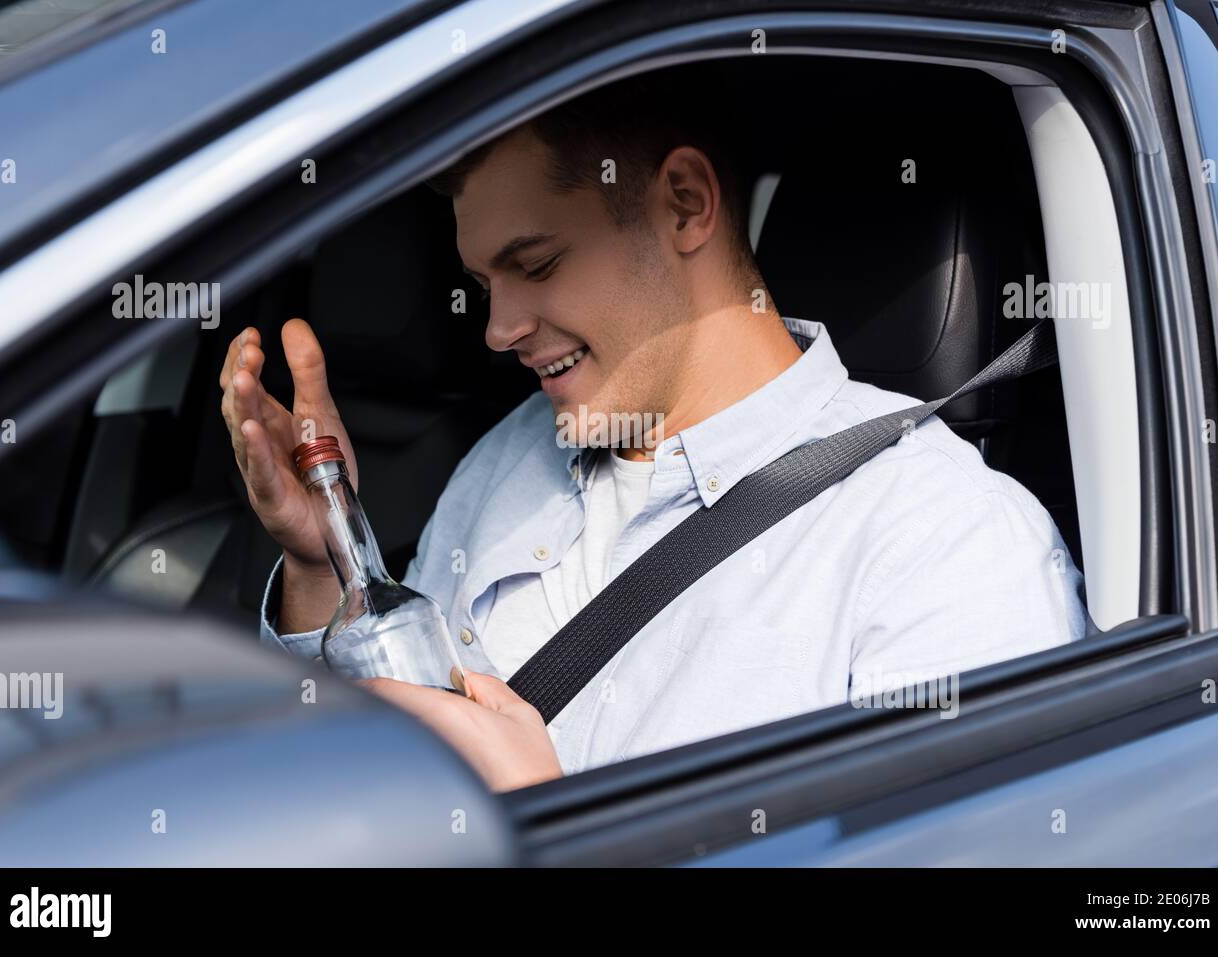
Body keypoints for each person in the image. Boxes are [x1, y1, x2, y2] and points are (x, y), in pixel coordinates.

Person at [218, 74, 1089, 792]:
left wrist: (550, 827)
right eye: (484, 281)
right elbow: (376, 763)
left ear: (684, 204)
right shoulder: (505, 459)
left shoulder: (946, 548)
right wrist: (325, 558)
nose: (498, 326)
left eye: (536, 264)